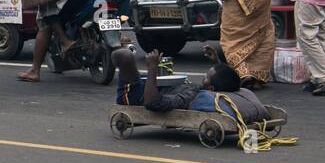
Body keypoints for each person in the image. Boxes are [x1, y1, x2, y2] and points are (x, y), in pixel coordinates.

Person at [112, 47, 270, 122]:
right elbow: (228, 80)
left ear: (211, 89)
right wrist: (217, 62)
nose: (203, 78)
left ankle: (105, 58)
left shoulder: (190, 97)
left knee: (123, 55)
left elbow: (152, 103)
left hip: (137, 95)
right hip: (155, 85)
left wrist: (152, 67)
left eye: (206, 78)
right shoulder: (210, 88)